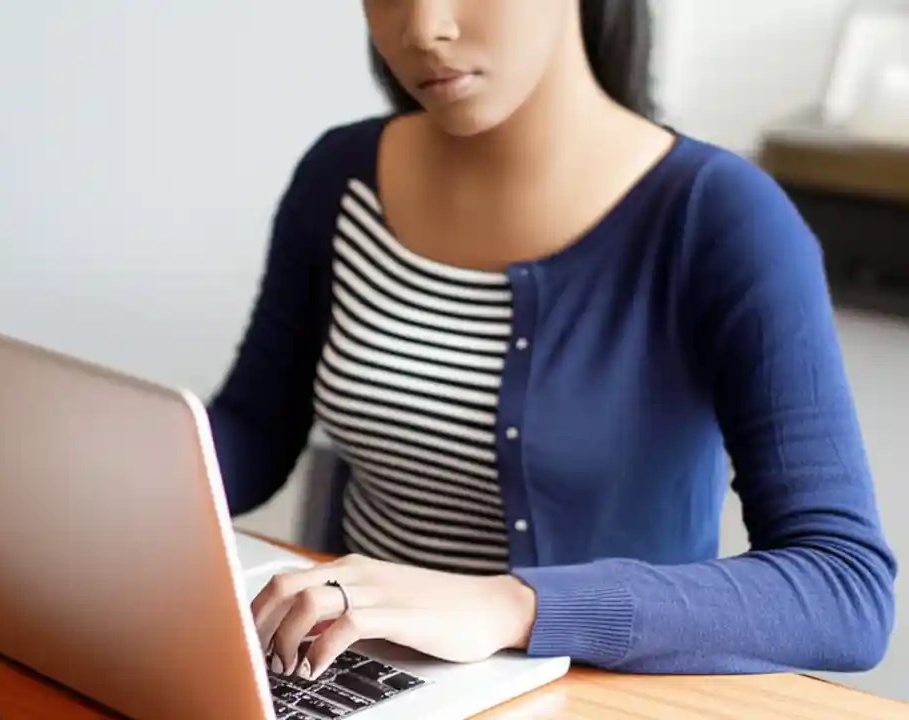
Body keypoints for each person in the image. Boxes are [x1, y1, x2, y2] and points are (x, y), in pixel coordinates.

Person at [207, 0, 897, 682]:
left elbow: (845, 587)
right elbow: (256, 430)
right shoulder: (342, 176)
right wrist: (121, 477)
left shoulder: (721, 218)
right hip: (359, 679)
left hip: (594, 696)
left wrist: (512, 607)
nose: (424, 28)